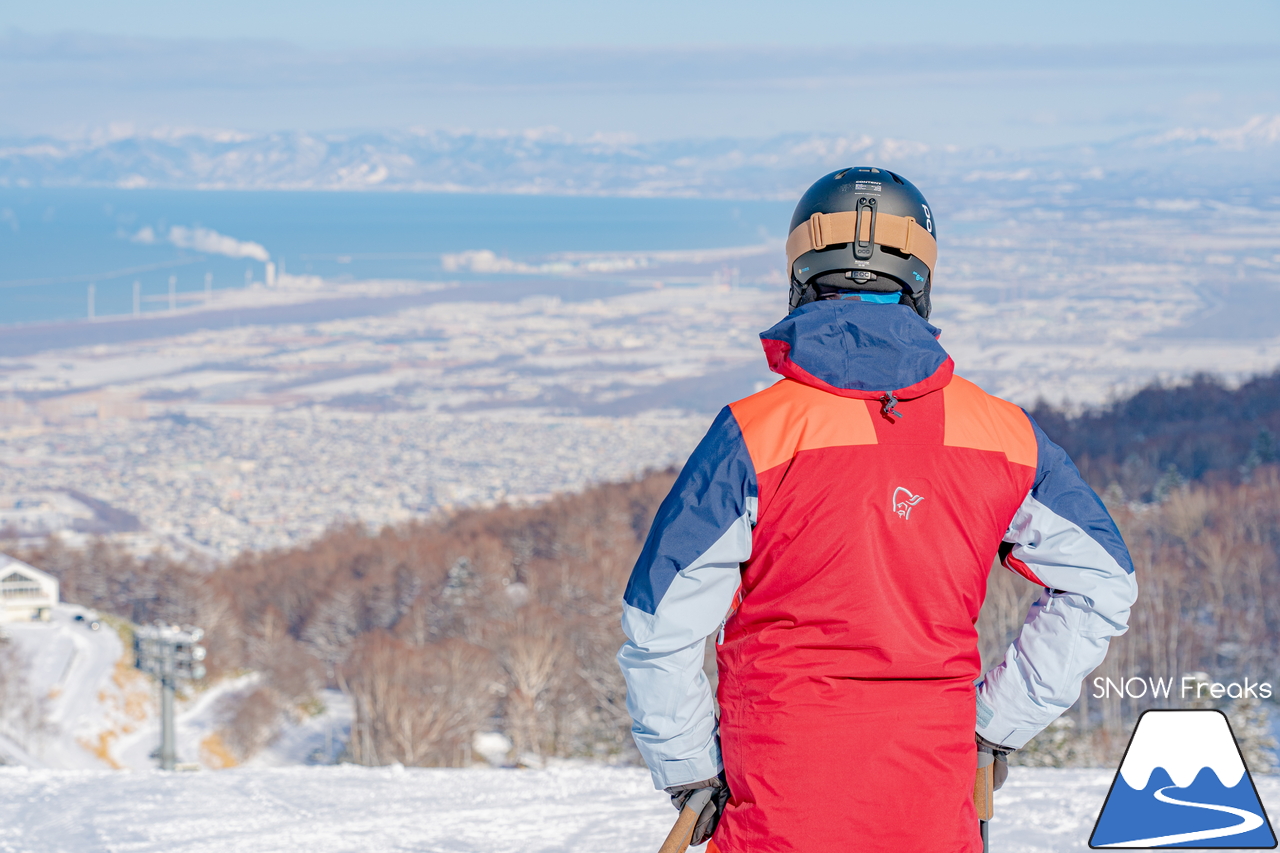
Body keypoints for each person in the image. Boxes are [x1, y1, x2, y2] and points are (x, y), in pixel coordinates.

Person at [617, 167, 1138, 852]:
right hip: (932, 806)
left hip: (778, 807)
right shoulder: (1004, 435)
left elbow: (661, 622)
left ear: (803, 268)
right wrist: (993, 722)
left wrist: (690, 771)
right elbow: (1101, 585)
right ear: (920, 274)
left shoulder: (756, 432)